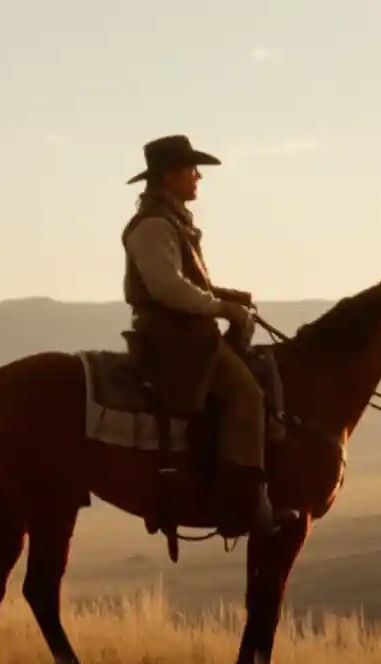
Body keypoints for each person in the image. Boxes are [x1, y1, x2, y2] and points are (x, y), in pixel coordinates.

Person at [119, 134, 282, 538]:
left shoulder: (171, 221)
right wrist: (222, 308)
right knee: (247, 395)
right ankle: (241, 506)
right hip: (175, 338)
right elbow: (167, 288)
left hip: (185, 331)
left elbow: (186, 284)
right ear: (170, 175)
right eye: (192, 170)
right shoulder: (154, 225)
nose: (197, 178)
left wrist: (231, 298)